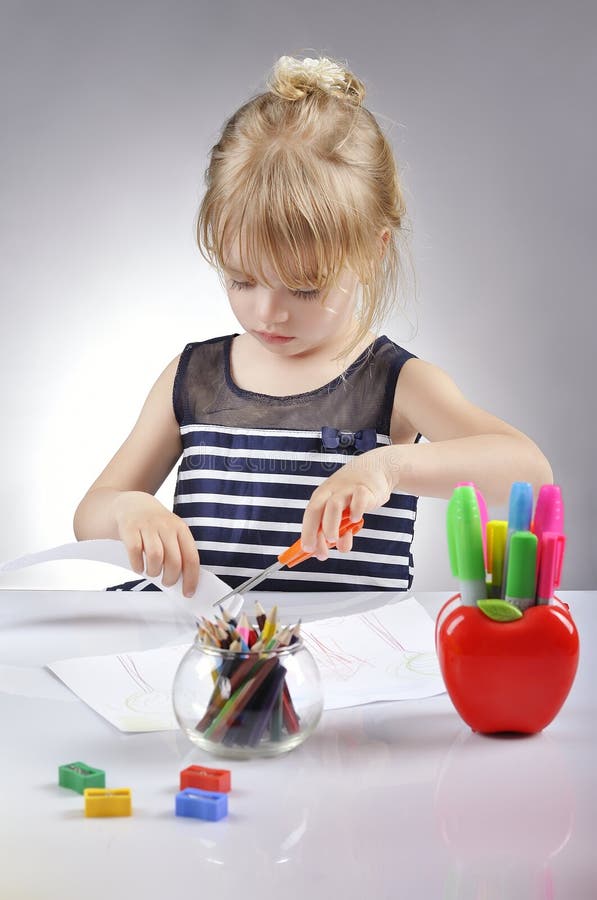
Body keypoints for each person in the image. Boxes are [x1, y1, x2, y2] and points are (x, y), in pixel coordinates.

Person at [73, 54, 552, 600]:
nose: (268, 313)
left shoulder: (394, 384)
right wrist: (128, 508)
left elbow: (528, 472)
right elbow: (91, 513)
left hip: (346, 669)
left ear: (373, 253)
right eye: (241, 280)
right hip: (211, 663)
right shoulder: (193, 377)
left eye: (305, 288)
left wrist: (390, 466)